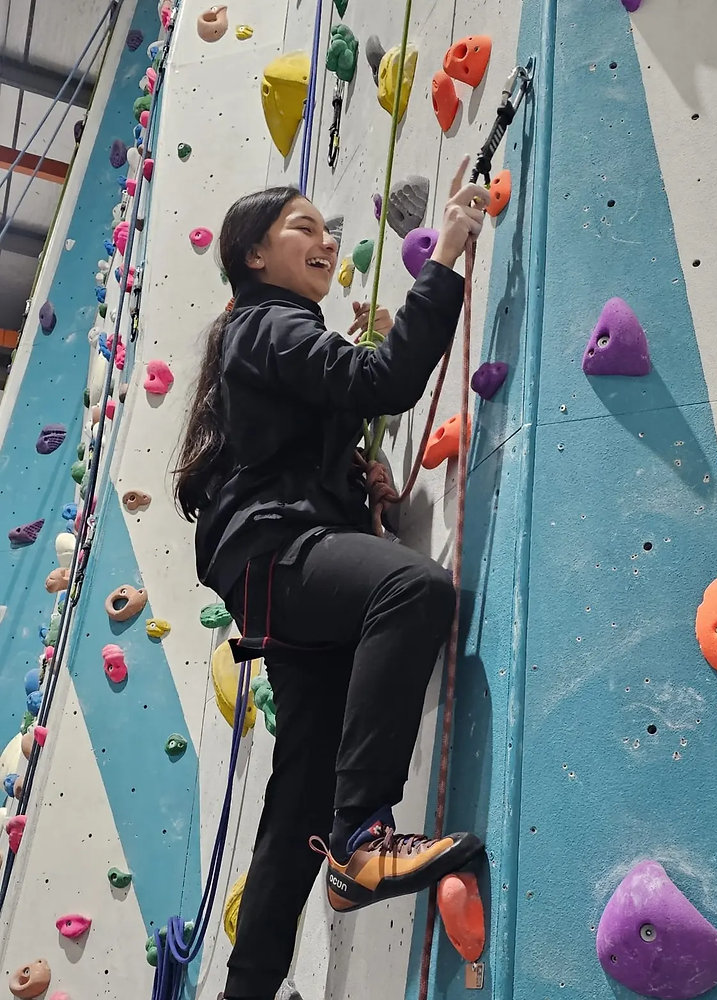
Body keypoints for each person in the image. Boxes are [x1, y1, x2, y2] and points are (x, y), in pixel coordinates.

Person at [173, 158, 488, 1000]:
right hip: (281, 557)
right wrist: (445, 258)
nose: (324, 240)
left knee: (301, 787)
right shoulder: (271, 321)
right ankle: (362, 837)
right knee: (411, 589)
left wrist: (355, 481)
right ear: (253, 257)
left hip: (273, 570)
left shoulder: (262, 336)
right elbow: (377, 379)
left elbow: (323, 418)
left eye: (327, 228)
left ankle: (247, 988)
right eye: (302, 227)